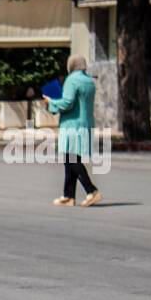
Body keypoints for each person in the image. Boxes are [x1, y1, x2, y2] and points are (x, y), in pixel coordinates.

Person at [48, 54, 101, 207]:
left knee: (71, 159)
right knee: (70, 159)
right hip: (85, 124)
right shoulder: (89, 80)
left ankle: (92, 191)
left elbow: (68, 102)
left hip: (72, 125)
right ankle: (68, 196)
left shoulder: (72, 80)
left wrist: (51, 102)